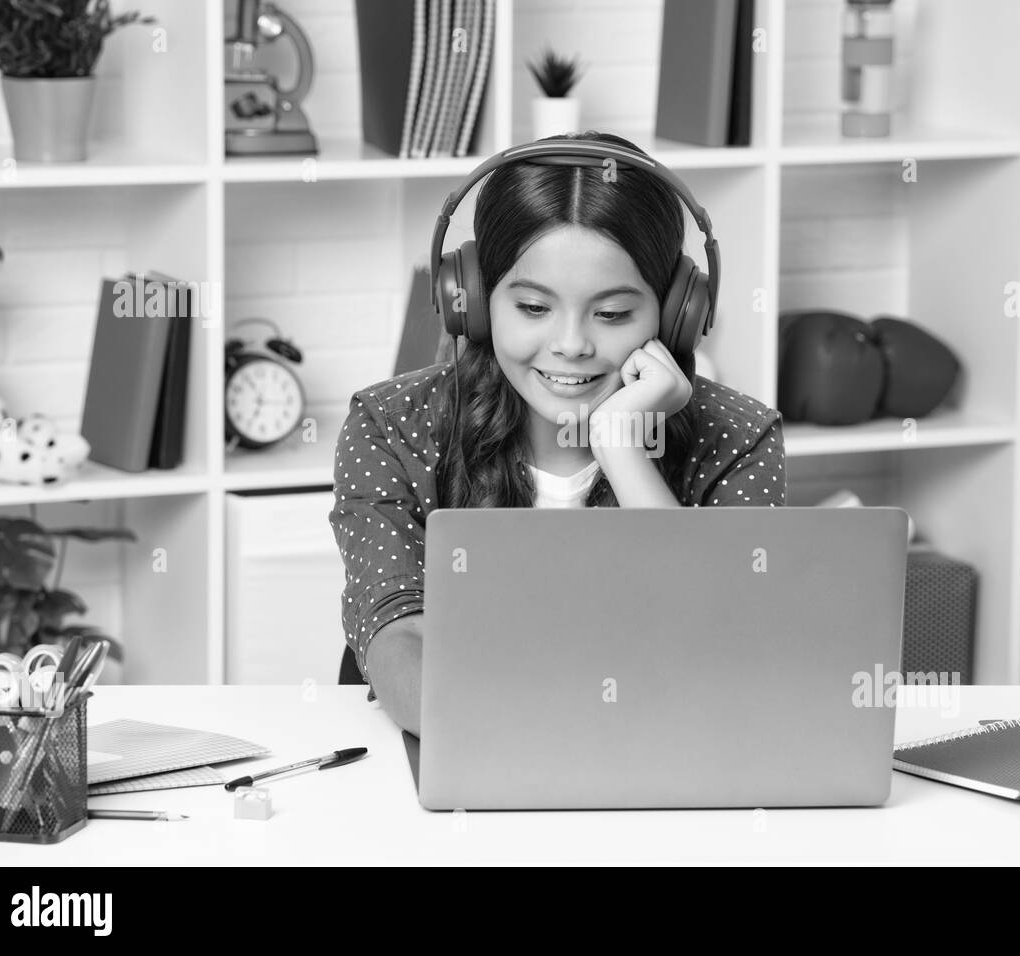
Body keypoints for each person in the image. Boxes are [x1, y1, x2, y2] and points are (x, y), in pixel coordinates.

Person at [329, 131, 786, 736]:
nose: (571, 345)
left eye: (613, 314)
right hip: (463, 749)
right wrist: (543, 744)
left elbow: (727, 647)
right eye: (534, 309)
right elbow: (398, 630)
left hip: (659, 752)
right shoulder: (392, 428)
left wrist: (623, 449)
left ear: (678, 314)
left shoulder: (740, 437)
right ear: (475, 301)